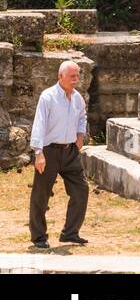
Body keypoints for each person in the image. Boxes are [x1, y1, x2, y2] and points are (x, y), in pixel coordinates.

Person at [28, 59, 89, 250]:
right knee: (41, 194)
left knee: (81, 189)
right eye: (72, 76)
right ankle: (39, 237)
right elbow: (39, 124)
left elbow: (82, 118)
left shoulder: (78, 98)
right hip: (49, 151)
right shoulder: (48, 97)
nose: (75, 79)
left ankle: (70, 233)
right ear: (60, 76)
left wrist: (80, 136)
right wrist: (39, 153)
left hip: (70, 151)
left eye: (77, 75)